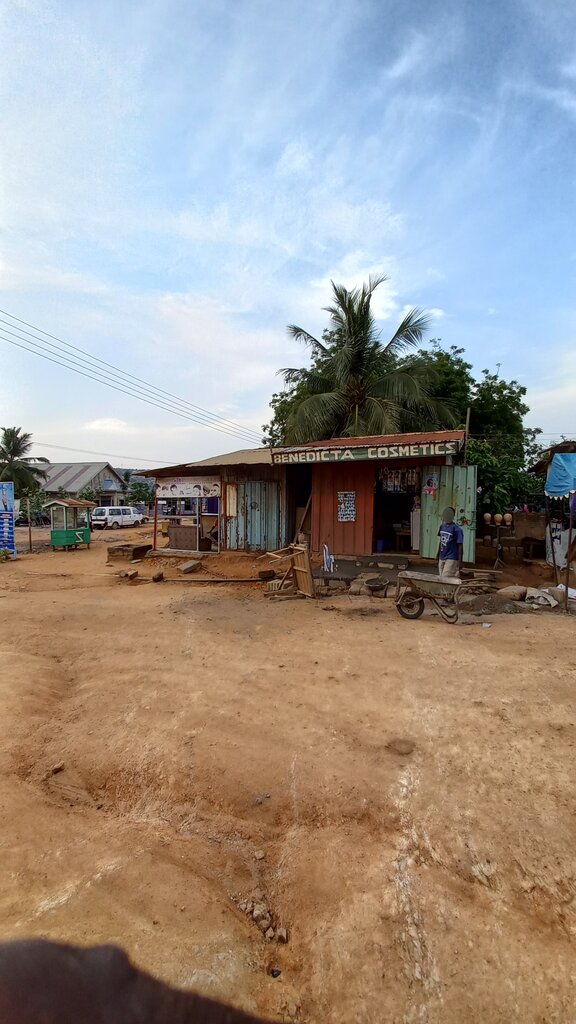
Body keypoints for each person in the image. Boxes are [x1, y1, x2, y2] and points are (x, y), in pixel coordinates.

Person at [437, 506, 464, 578]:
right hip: (442, 556)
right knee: (441, 577)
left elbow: (460, 546)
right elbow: (441, 541)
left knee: (445, 577)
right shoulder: (442, 526)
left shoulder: (457, 529)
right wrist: (438, 553)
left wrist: (460, 561)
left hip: (452, 557)